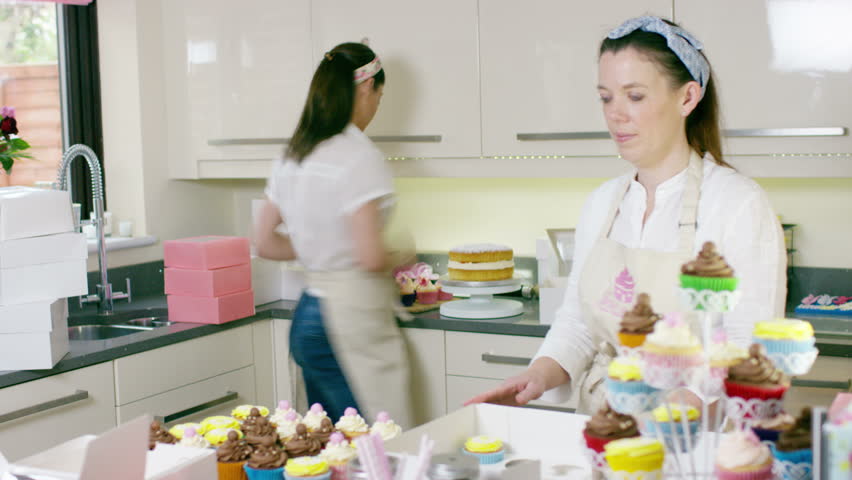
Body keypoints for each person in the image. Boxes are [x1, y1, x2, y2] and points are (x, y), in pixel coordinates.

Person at [467, 16, 786, 414]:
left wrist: (688, 401)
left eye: (634, 96)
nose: (615, 114)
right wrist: (539, 373)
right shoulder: (603, 204)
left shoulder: (737, 203)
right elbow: (579, 324)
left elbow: (751, 344)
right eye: (606, 97)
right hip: (606, 423)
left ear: (687, 98)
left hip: (694, 437)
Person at [254, 42, 415, 428]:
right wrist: (403, 252)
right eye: (379, 94)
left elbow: (263, 242)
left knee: (331, 447)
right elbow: (370, 257)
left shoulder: (293, 154)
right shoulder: (359, 156)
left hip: (308, 318)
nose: (377, 105)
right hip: (347, 320)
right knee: (378, 440)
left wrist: (315, 244)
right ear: (364, 89)